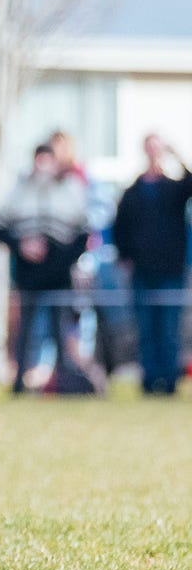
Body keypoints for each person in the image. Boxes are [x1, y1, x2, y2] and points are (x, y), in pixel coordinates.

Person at [0, 144, 92, 395]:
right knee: (25, 330)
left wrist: (63, 260)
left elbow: (82, 232)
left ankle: (63, 381)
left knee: (60, 329)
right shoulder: (21, 190)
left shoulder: (69, 190)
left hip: (58, 274)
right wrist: (22, 247)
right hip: (29, 274)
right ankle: (19, 382)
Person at [111, 134, 192, 396]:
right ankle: (149, 381)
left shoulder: (173, 189)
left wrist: (177, 155)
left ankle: (169, 382)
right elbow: (120, 228)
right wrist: (125, 257)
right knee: (146, 328)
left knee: (169, 329)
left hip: (170, 269)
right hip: (142, 271)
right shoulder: (133, 192)